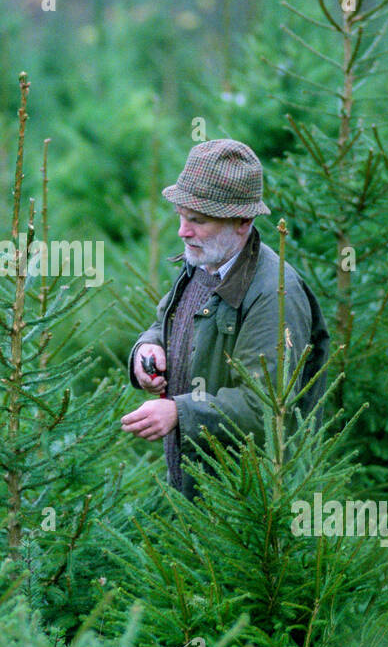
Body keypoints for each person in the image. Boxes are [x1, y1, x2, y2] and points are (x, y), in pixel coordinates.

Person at [120, 138, 329, 499]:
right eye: (182, 217)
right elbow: (165, 324)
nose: (184, 231)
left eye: (198, 221)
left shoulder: (275, 294)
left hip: (252, 506)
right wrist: (147, 350)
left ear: (242, 222)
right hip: (200, 488)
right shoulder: (205, 260)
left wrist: (178, 413)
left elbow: (265, 405)